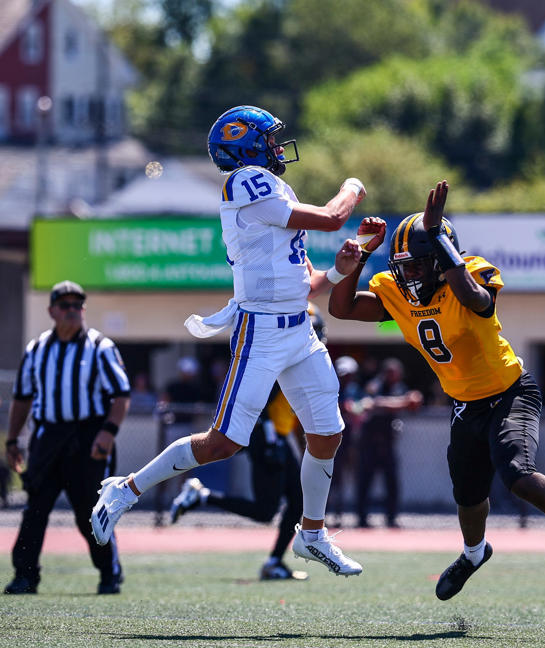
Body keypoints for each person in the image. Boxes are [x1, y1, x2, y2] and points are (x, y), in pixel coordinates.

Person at [91, 105, 364, 577]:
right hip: (260, 329)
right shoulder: (245, 181)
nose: (279, 148)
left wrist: (345, 263)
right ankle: (126, 488)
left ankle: (312, 535)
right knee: (222, 444)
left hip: (298, 327)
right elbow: (329, 217)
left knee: (328, 432)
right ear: (248, 146)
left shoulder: (274, 187)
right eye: (271, 139)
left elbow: (308, 283)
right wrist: (351, 190)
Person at [329, 180, 545, 599]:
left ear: (439, 258)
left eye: (416, 264)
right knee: (467, 496)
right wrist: (362, 252)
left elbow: (477, 298)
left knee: (516, 474)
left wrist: (436, 238)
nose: (407, 275)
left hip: (509, 392)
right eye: (402, 267)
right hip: (466, 404)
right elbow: (341, 308)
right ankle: (473, 552)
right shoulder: (396, 292)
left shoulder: (468, 273)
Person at [168, 305, 329, 582]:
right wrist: (267, 436)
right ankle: (202, 495)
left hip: (277, 435)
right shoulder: (282, 357)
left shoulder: (293, 358)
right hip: (267, 436)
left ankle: (274, 562)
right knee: (266, 510)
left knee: (298, 503)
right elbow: (261, 400)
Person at [5, 280, 130, 595]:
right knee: (36, 507)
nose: (72, 311)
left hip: (88, 436)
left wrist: (107, 433)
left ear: (84, 310)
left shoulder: (100, 347)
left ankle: (109, 572)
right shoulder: (36, 350)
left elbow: (120, 395)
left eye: (77, 305)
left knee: (89, 511)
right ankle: (25, 575)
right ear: (52, 311)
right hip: (48, 437)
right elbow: (22, 398)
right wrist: (12, 440)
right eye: (65, 305)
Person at [355, 358, 422, 528]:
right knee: (365, 481)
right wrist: (402, 402)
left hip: (388, 442)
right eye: (391, 374)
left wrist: (405, 402)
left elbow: (412, 404)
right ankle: (362, 518)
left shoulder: (399, 388)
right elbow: (373, 403)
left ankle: (391, 518)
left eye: (396, 374)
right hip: (370, 441)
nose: (394, 377)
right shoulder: (374, 385)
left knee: (392, 482)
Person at [326, 355, 365, 526]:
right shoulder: (331, 387)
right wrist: (344, 408)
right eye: (343, 374)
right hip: (330, 439)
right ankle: (323, 514)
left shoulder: (356, 390)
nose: (345, 378)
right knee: (327, 476)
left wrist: (357, 410)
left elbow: (362, 406)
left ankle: (339, 514)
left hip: (349, 440)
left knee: (345, 478)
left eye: (348, 375)